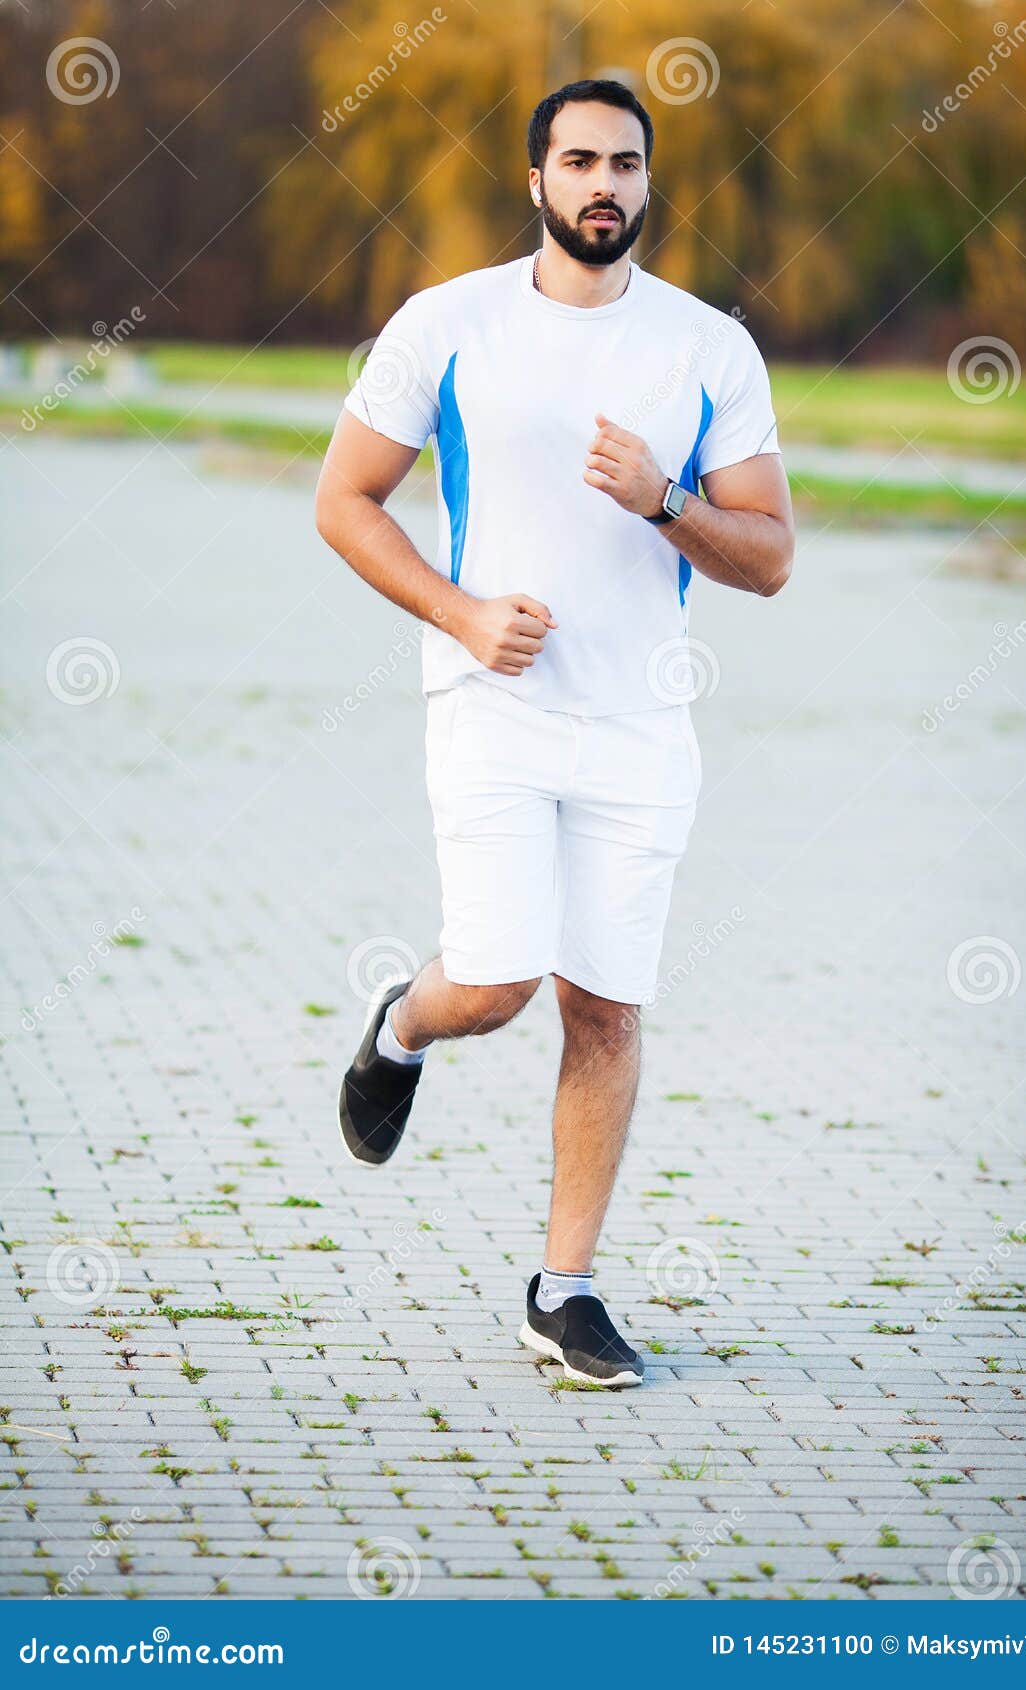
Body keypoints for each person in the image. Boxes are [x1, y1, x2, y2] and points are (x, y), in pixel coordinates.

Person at [315, 78, 793, 1387]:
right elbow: (345, 499)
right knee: (500, 980)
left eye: (624, 163)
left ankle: (563, 1290)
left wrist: (666, 499)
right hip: (495, 706)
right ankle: (404, 1025)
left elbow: (769, 558)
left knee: (606, 1006)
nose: (602, 184)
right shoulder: (448, 322)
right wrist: (461, 613)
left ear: (647, 182)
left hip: (643, 726)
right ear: (536, 180)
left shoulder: (710, 348)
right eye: (578, 161)